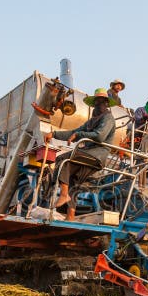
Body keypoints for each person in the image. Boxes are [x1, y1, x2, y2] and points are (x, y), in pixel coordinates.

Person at [44, 88, 117, 220]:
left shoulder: (108, 118)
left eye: (102, 102)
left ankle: (64, 194)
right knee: (73, 180)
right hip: (87, 154)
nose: (99, 105)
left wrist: (79, 134)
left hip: (97, 155)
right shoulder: (91, 121)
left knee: (64, 159)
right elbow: (73, 132)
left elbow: (99, 137)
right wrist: (54, 134)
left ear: (106, 103)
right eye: (97, 102)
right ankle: (70, 215)